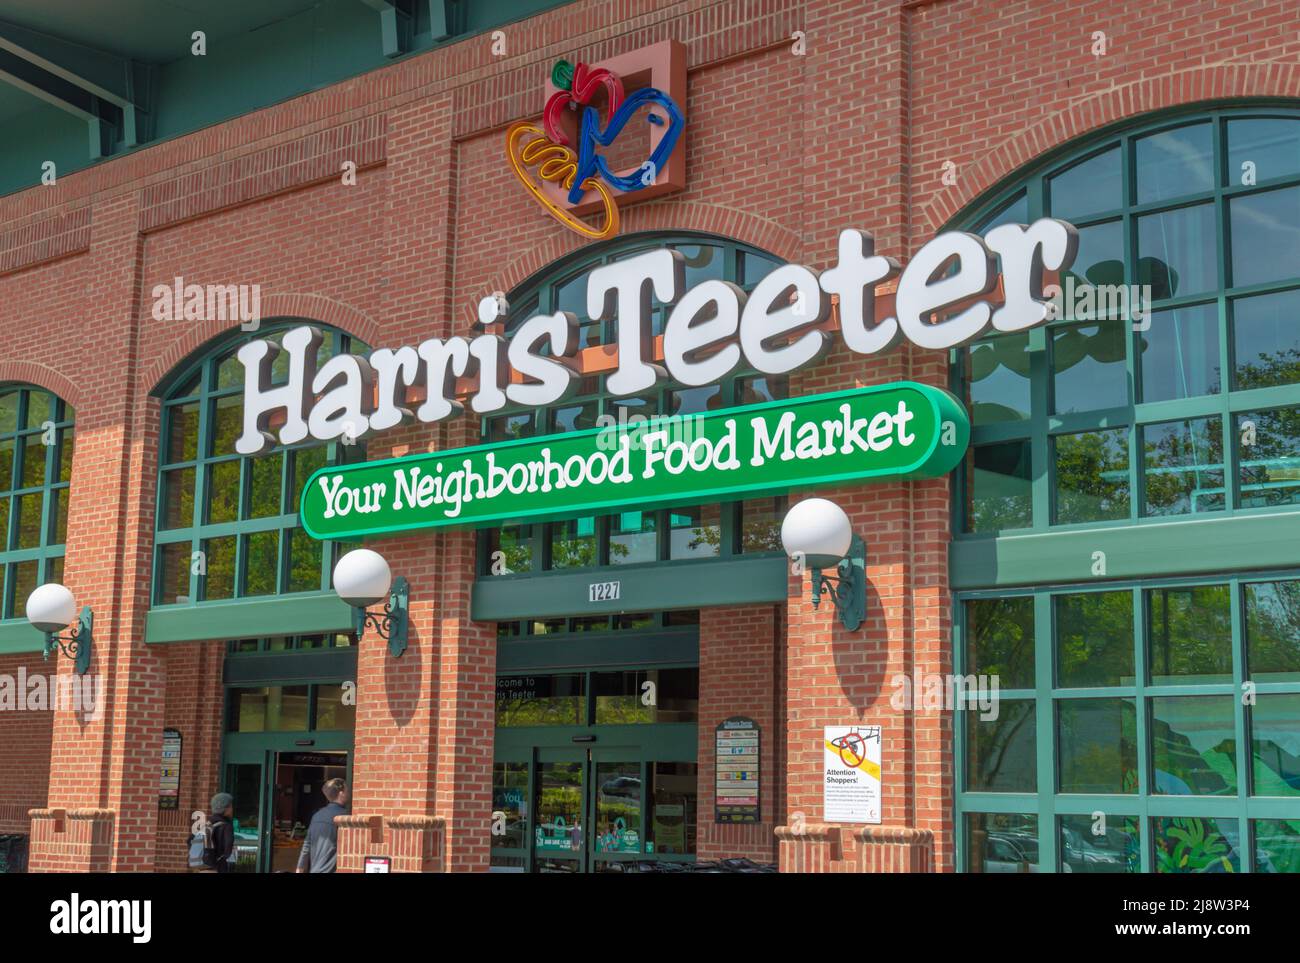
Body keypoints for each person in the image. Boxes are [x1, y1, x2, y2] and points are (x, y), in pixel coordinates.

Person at [296, 778, 350, 873]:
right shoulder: (345, 817)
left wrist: (300, 867)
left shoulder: (316, 816)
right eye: (347, 790)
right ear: (341, 793)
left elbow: (307, 844)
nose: (349, 793)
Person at [205, 792, 235, 873]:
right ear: (225, 808)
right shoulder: (226, 825)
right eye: (231, 806)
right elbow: (228, 850)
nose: (232, 809)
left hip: (204, 867)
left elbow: (190, 840)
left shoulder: (208, 823)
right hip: (218, 867)